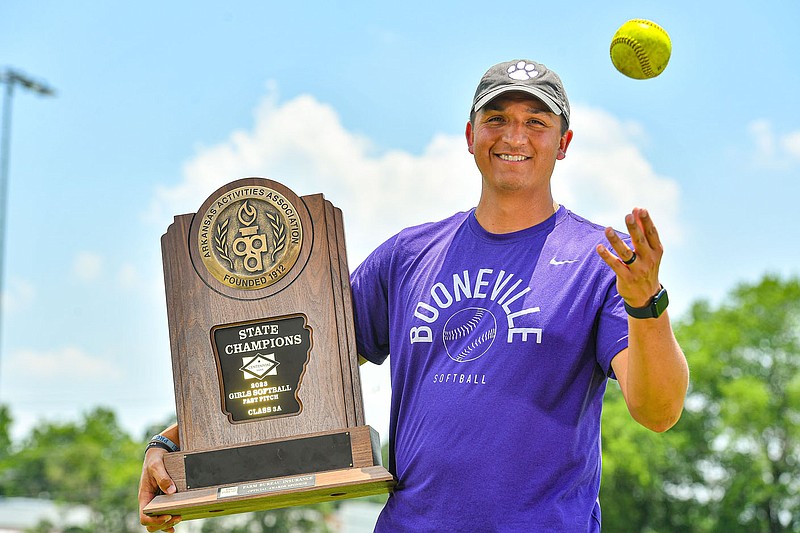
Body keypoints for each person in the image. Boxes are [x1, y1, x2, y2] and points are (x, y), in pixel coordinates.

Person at [139, 59, 689, 532]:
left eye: (536, 122)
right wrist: (176, 443)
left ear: (563, 143)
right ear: (470, 135)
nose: (514, 136)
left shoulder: (601, 262)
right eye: (496, 118)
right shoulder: (408, 255)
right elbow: (292, 363)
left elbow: (659, 411)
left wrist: (647, 304)